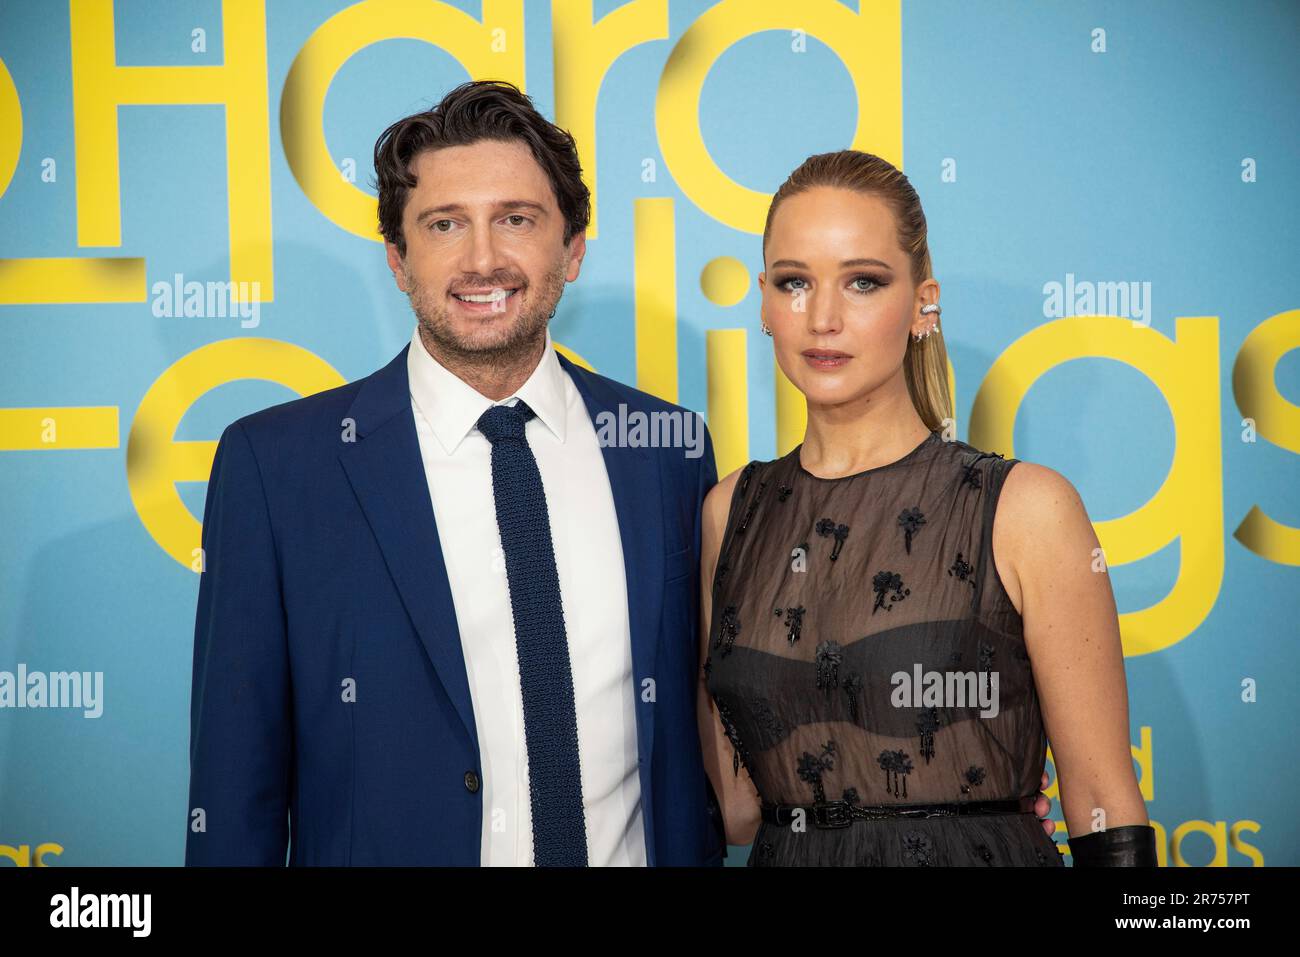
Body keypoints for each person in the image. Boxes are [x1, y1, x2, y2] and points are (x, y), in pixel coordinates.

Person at [186, 80, 722, 866]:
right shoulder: (277, 468)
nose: (482, 259)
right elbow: (236, 793)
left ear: (573, 248)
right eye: (444, 224)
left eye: (516, 219)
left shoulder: (666, 450)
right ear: (398, 260)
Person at [697, 150, 1156, 867]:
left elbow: (1101, 798)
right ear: (763, 301)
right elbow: (736, 812)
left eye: (863, 281)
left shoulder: (1025, 508)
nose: (823, 318)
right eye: (794, 282)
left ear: (922, 303)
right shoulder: (731, 513)